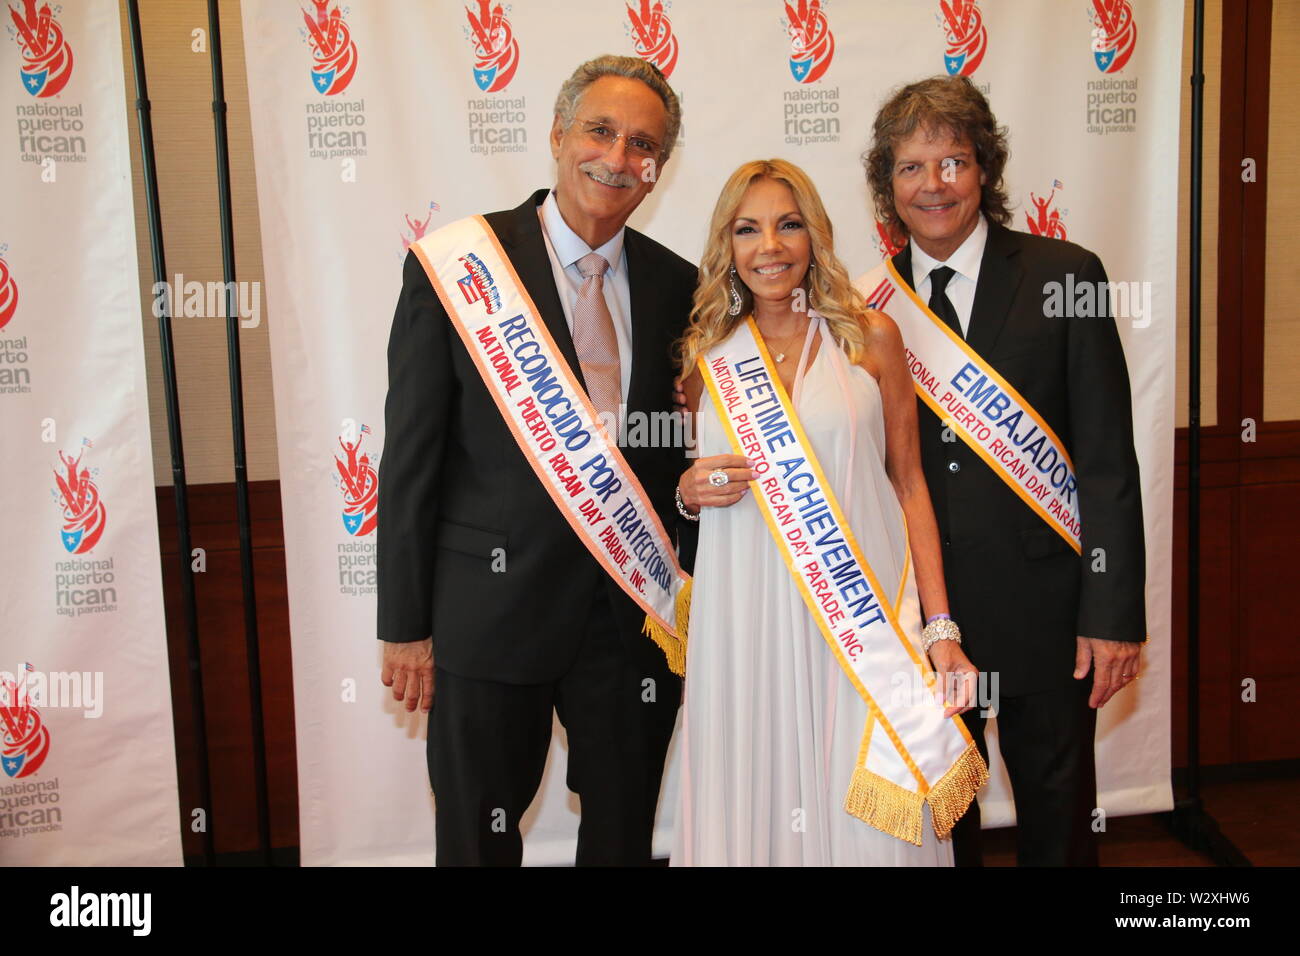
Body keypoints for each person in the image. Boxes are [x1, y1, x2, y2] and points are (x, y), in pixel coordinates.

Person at [376, 55, 697, 866]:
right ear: (558, 135)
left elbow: (679, 457)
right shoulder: (458, 268)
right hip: (487, 616)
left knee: (622, 838)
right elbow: (412, 455)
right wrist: (406, 627)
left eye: (642, 145)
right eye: (600, 130)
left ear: (659, 168)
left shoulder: (681, 286)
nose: (618, 157)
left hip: (631, 621)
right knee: (477, 841)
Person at [856, 75, 1146, 866]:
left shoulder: (1066, 275)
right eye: (911, 168)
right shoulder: (863, 306)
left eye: (952, 162)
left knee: (1056, 812)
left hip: (1046, 613)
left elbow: (1109, 461)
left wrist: (1112, 610)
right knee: (940, 823)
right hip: (922, 616)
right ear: (887, 187)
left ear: (984, 168)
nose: (933, 185)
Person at [671, 159, 986, 866]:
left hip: (860, 618)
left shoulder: (870, 339)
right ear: (728, 246)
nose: (770, 247)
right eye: (747, 230)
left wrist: (940, 628)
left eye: (788, 225)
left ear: (814, 236)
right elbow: (685, 484)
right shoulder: (705, 359)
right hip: (745, 624)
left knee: (868, 813)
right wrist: (686, 491)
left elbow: (909, 484)